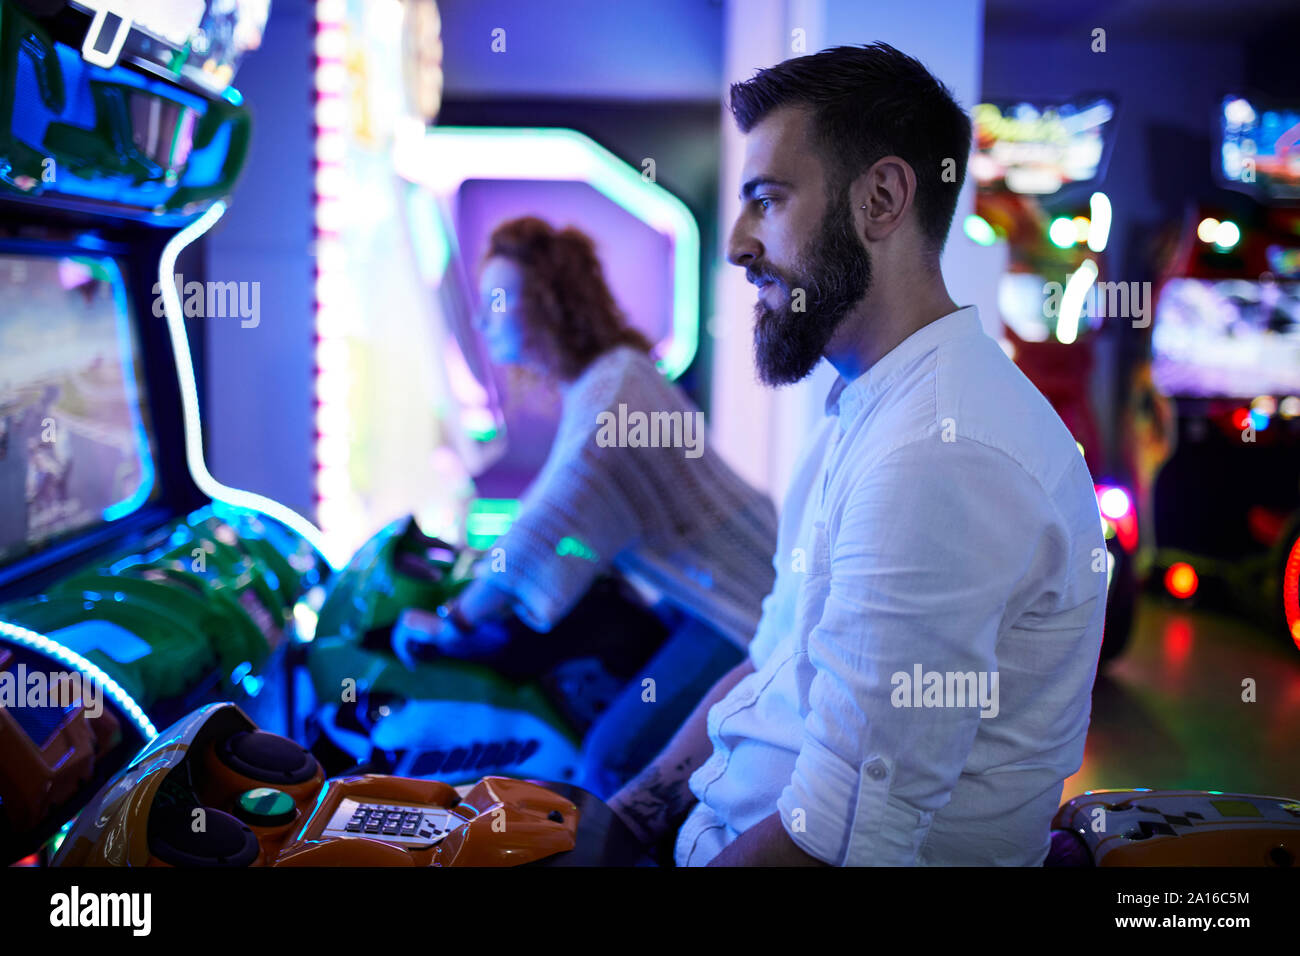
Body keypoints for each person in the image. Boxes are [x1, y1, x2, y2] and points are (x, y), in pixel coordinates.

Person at [606, 43, 1107, 866]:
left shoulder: (943, 454)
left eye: (766, 201)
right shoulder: (869, 408)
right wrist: (626, 819)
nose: (735, 244)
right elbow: (770, 668)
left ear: (879, 200)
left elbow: (839, 841)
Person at [402, 215, 779, 797]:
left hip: (741, 615)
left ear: (549, 303)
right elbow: (573, 524)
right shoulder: (611, 377)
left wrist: (456, 619)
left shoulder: (614, 391)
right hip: (721, 597)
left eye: (498, 299)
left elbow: (546, 522)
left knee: (610, 760)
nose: (482, 317)